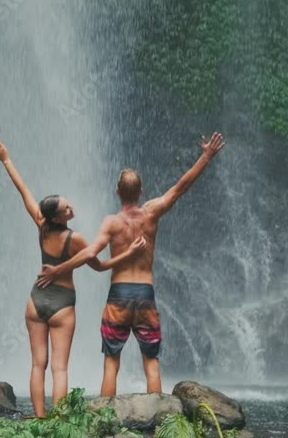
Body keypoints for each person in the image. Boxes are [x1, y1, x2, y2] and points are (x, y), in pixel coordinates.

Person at [36, 132, 226, 396]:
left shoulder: (111, 222)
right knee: (151, 361)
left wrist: (58, 269)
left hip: (119, 295)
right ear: (141, 191)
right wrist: (206, 156)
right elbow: (181, 187)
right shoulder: (152, 212)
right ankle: (159, 420)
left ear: (117, 192)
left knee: (112, 362)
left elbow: (90, 252)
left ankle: (106, 421)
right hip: (145, 294)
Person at [0, 138, 147, 417]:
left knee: (37, 364)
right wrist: (128, 254)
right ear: (58, 217)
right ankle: (56, 420)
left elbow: (23, 190)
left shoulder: (41, 226)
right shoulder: (75, 240)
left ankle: (39, 417)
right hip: (62, 305)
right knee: (59, 367)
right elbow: (99, 266)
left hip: (35, 301)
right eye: (66, 209)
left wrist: (6, 160)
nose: (71, 207)